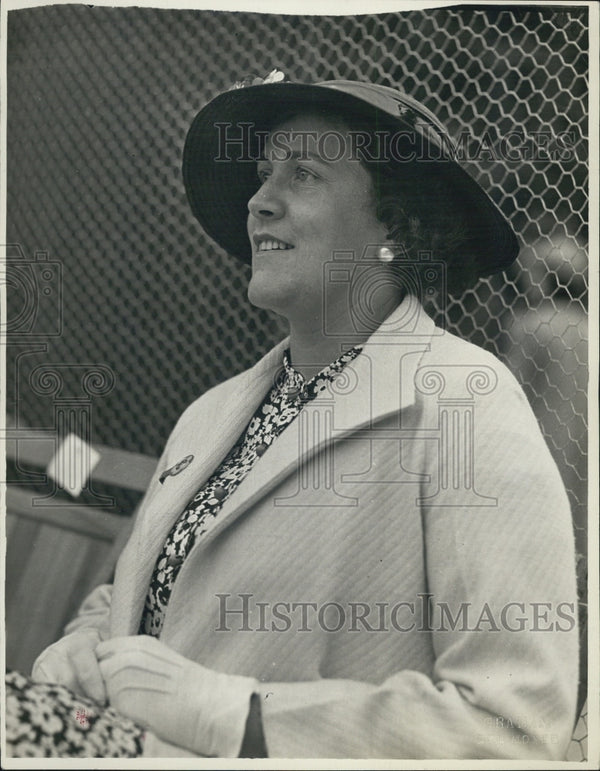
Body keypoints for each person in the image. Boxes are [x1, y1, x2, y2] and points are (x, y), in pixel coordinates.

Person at [6, 73, 579, 760]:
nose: (258, 201)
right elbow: (144, 598)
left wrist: (234, 714)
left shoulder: (466, 401)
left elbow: (512, 728)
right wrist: (84, 645)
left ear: (398, 225)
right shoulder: (210, 412)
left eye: (303, 173)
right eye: (261, 172)